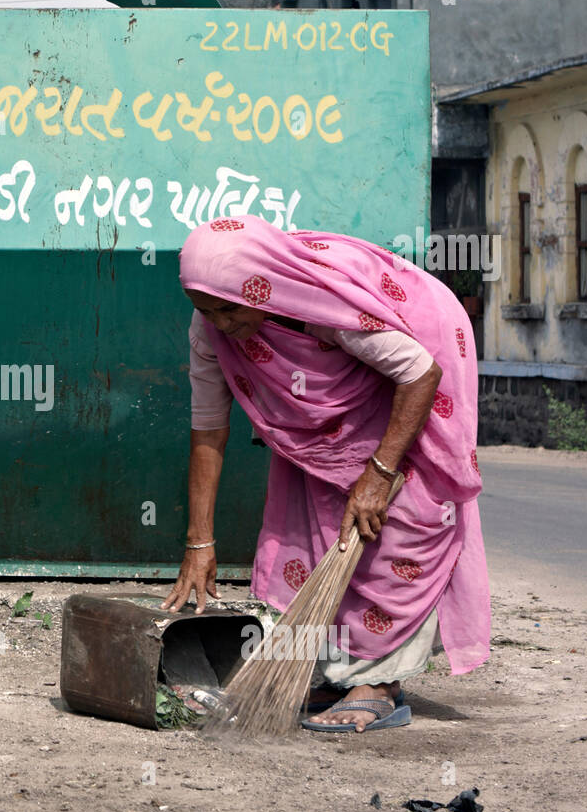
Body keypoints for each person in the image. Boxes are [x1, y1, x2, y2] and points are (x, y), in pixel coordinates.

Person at [162, 215, 490, 733]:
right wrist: (198, 541)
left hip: (418, 366)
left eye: (229, 308)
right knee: (315, 527)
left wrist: (380, 474)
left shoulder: (325, 302)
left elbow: (420, 371)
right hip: (336, 418)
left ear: (264, 284)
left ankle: (379, 681)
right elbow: (208, 429)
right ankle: (335, 673)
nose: (222, 323)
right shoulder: (210, 325)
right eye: (206, 309)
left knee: (397, 529)